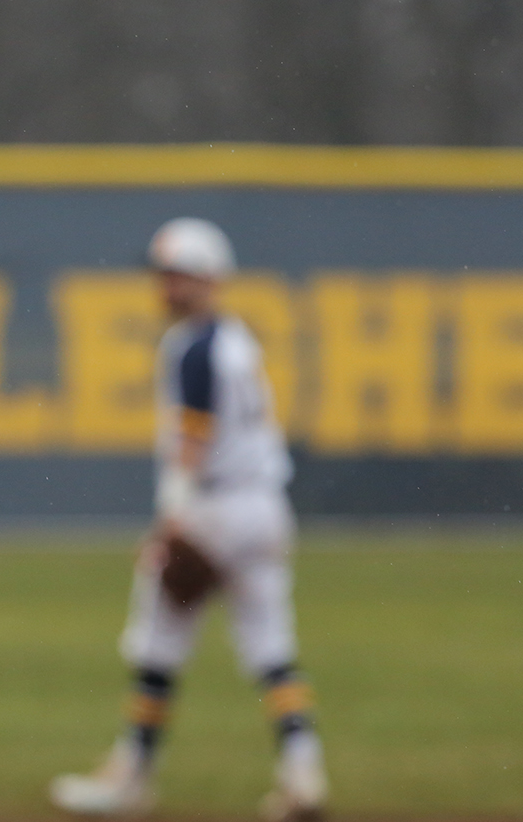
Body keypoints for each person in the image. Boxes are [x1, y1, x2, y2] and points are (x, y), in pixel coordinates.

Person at [48, 218, 327, 821]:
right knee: (271, 647)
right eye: (165, 276)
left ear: (210, 280)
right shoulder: (237, 339)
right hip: (265, 506)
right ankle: (304, 771)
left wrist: (170, 521)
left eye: (181, 276)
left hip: (217, 506)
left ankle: (132, 773)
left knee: (156, 641)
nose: (169, 287)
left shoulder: (194, 344)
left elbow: (193, 439)